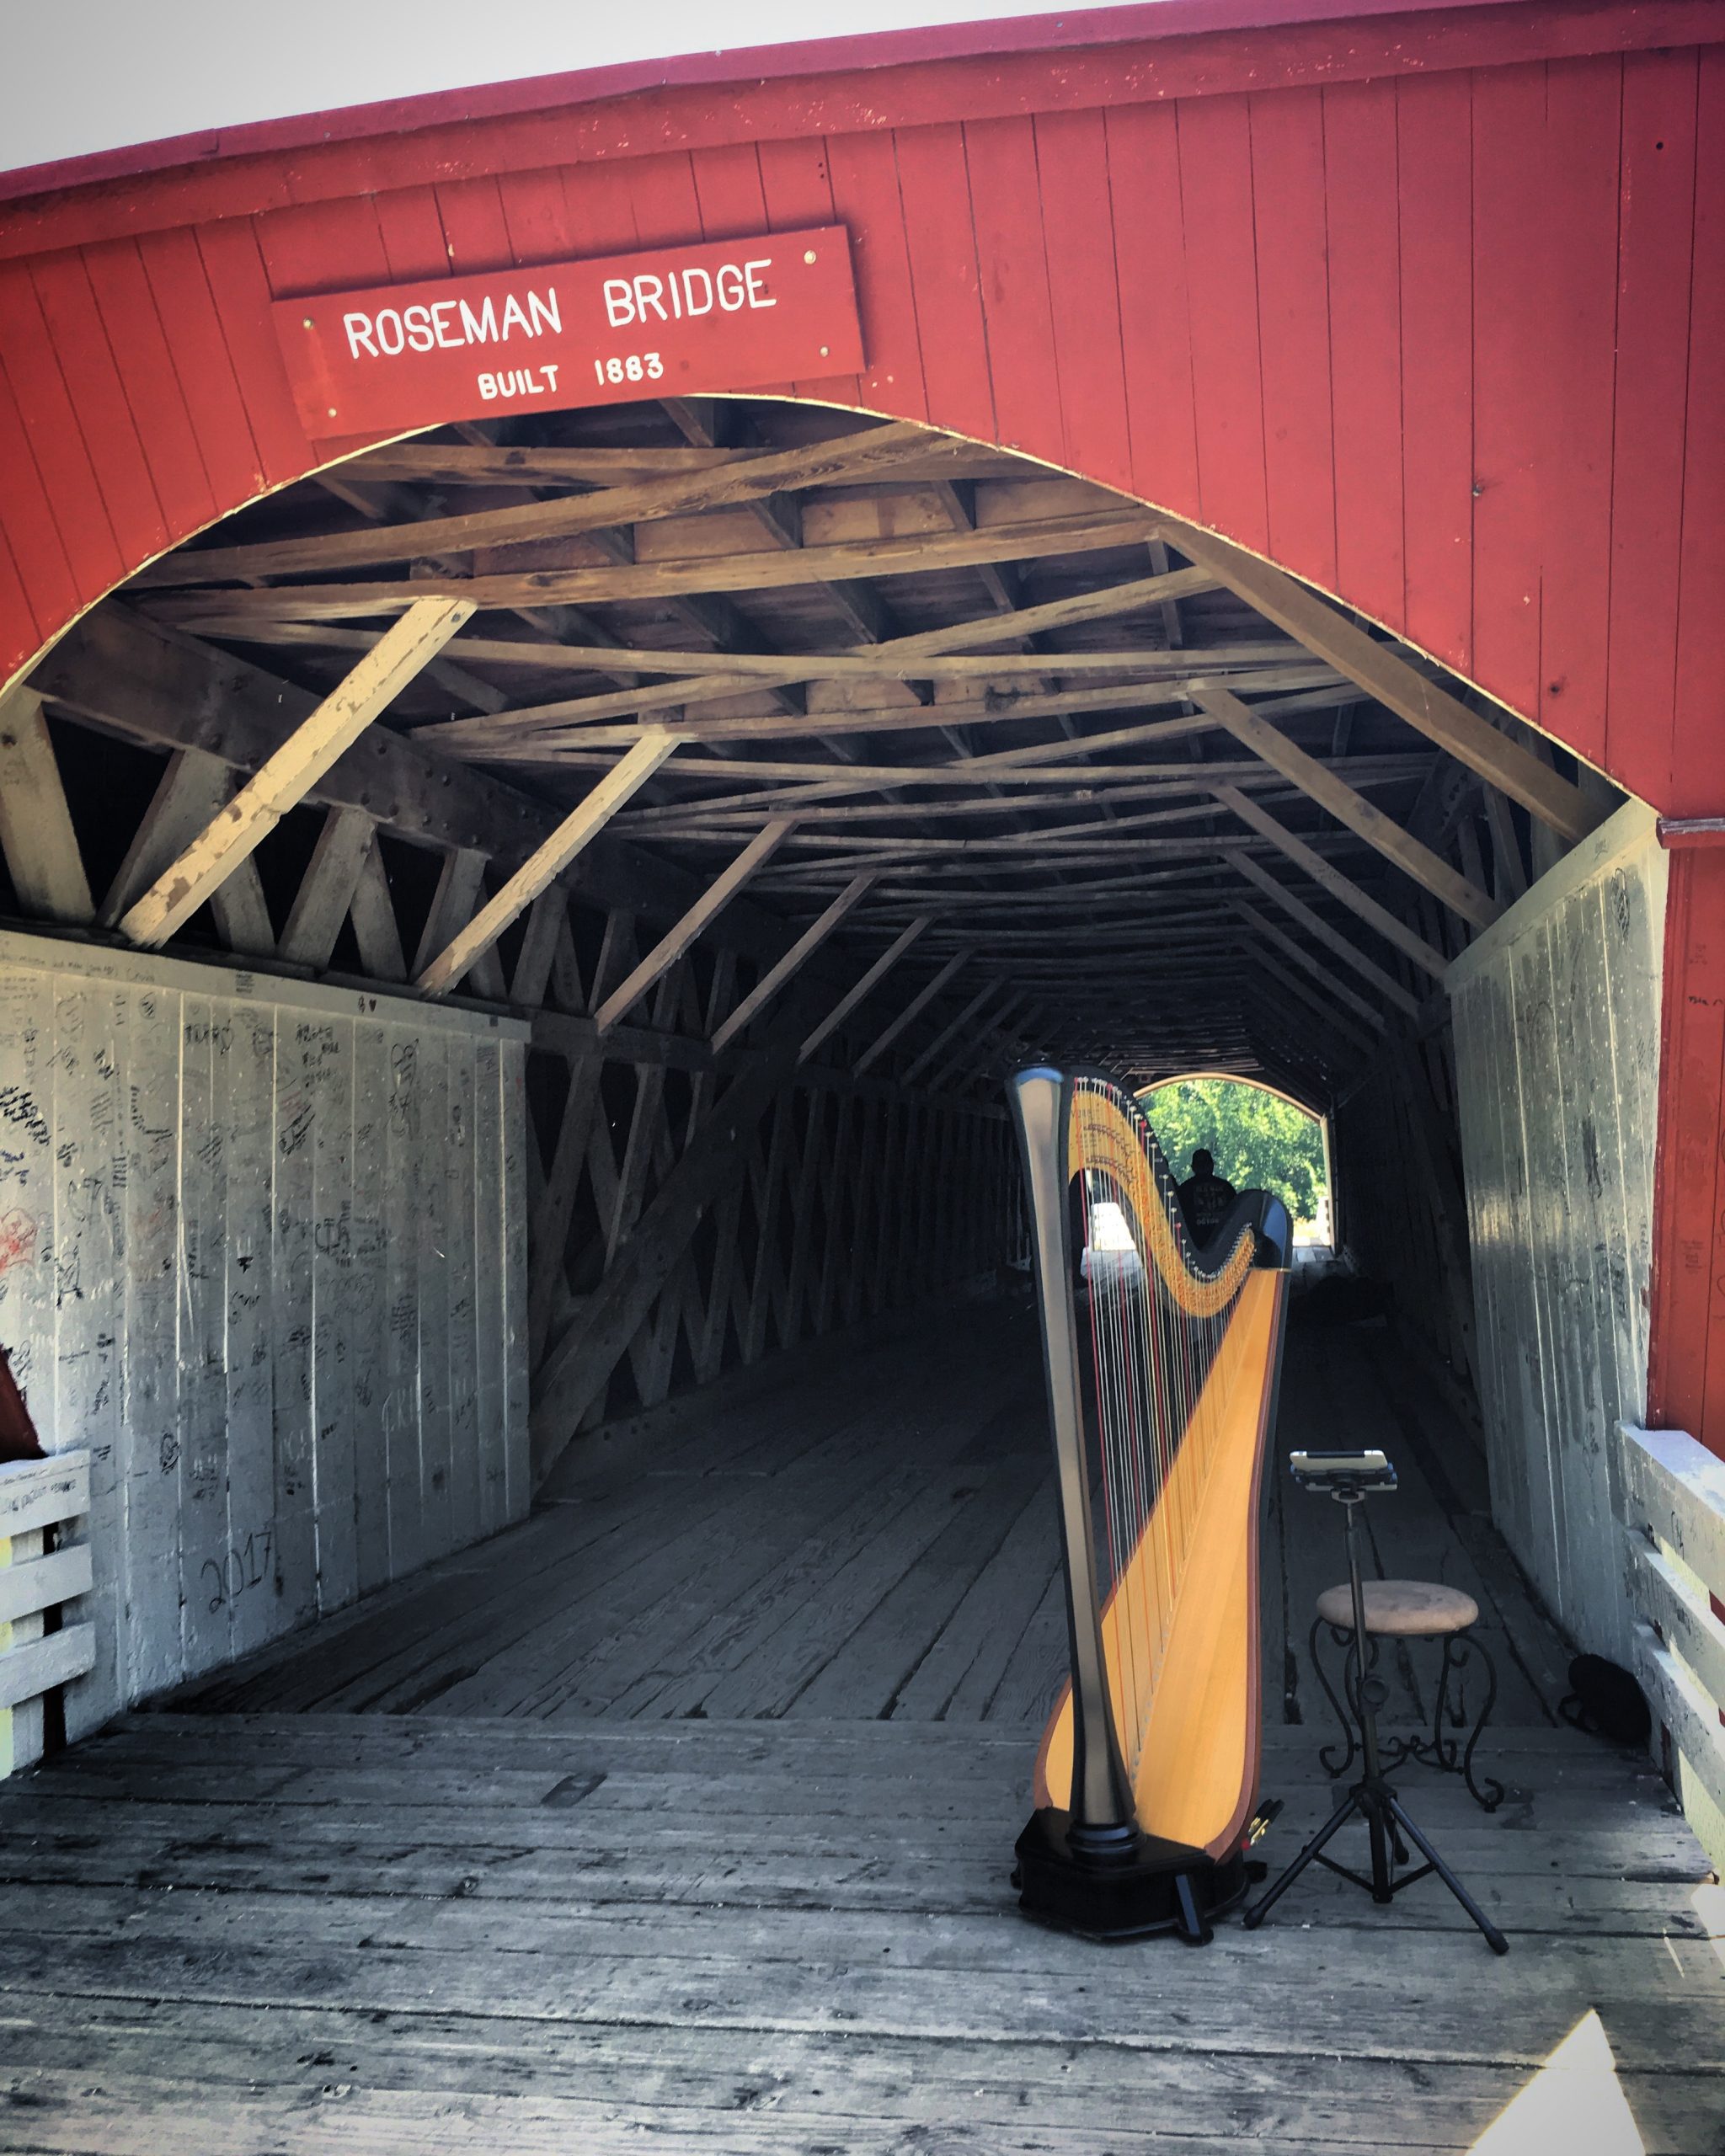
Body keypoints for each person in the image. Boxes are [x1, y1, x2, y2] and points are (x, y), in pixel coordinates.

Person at [1178, 1148, 1237, 1244]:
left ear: (1193, 1167)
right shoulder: (1226, 1187)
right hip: (1224, 1244)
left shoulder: (1185, 1189)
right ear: (1212, 1165)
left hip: (1195, 1245)